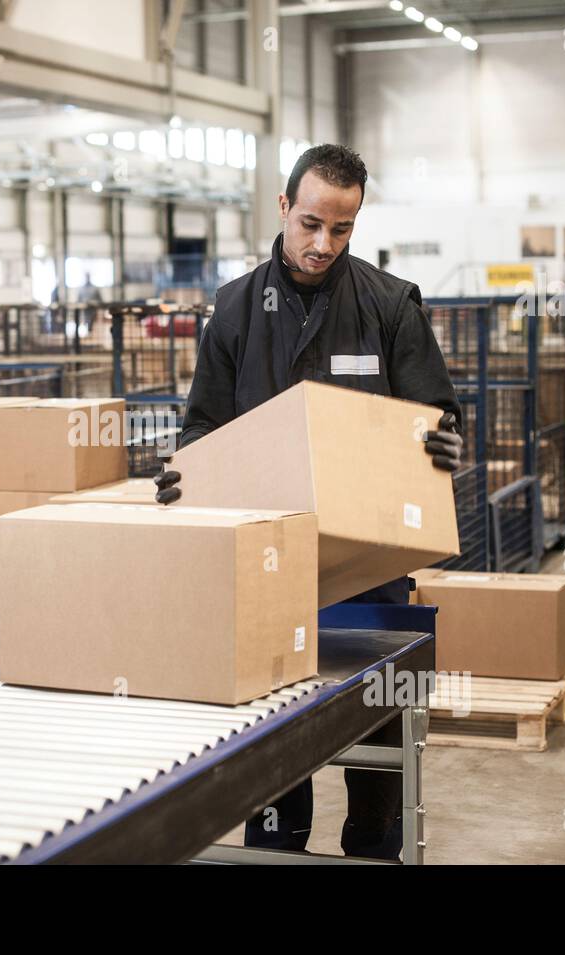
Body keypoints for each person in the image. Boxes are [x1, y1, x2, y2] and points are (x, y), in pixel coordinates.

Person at [153, 143, 463, 859]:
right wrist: (186, 468)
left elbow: (436, 415)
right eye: (312, 224)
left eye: (344, 229)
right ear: (284, 207)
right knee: (270, 750)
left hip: (370, 574)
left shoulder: (390, 304)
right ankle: (276, 847)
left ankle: (373, 842)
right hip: (267, 567)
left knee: (376, 748)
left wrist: (447, 440)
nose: (325, 244)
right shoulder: (234, 309)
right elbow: (204, 422)